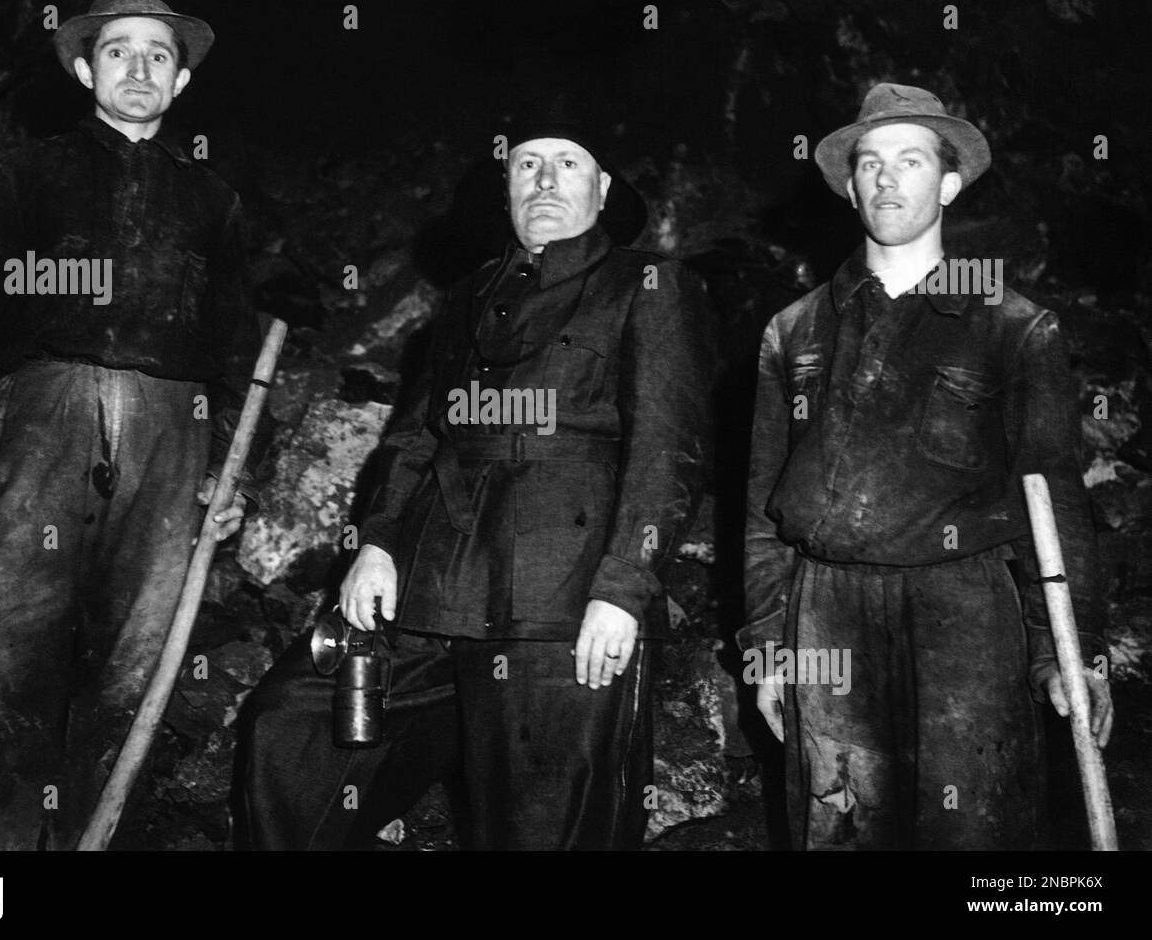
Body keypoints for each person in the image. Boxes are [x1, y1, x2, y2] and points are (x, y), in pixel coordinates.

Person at [238, 109, 714, 850]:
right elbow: (414, 437)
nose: (545, 179)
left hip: (561, 599)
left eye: (567, 163)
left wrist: (623, 588)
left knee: (542, 822)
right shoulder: (465, 300)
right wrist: (378, 542)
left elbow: (669, 447)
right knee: (289, 726)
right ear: (505, 188)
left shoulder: (646, 284)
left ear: (602, 186)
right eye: (527, 165)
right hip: (434, 584)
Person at [0, 0, 266, 849]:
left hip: (172, 440)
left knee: (131, 671)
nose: (140, 67)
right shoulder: (22, 172)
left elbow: (232, 356)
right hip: (42, 421)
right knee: (2, 657)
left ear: (182, 82)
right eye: (119, 50)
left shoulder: (215, 204)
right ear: (85, 69)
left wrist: (227, 473)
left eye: (159, 55)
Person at [741, 82, 1113, 849]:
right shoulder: (794, 331)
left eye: (909, 160)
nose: (886, 178)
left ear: (947, 183)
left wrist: (1071, 654)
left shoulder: (1013, 327)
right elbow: (759, 511)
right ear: (850, 186)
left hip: (964, 609)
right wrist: (767, 645)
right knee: (839, 820)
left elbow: (1057, 503)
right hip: (826, 608)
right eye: (870, 162)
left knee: (974, 828)